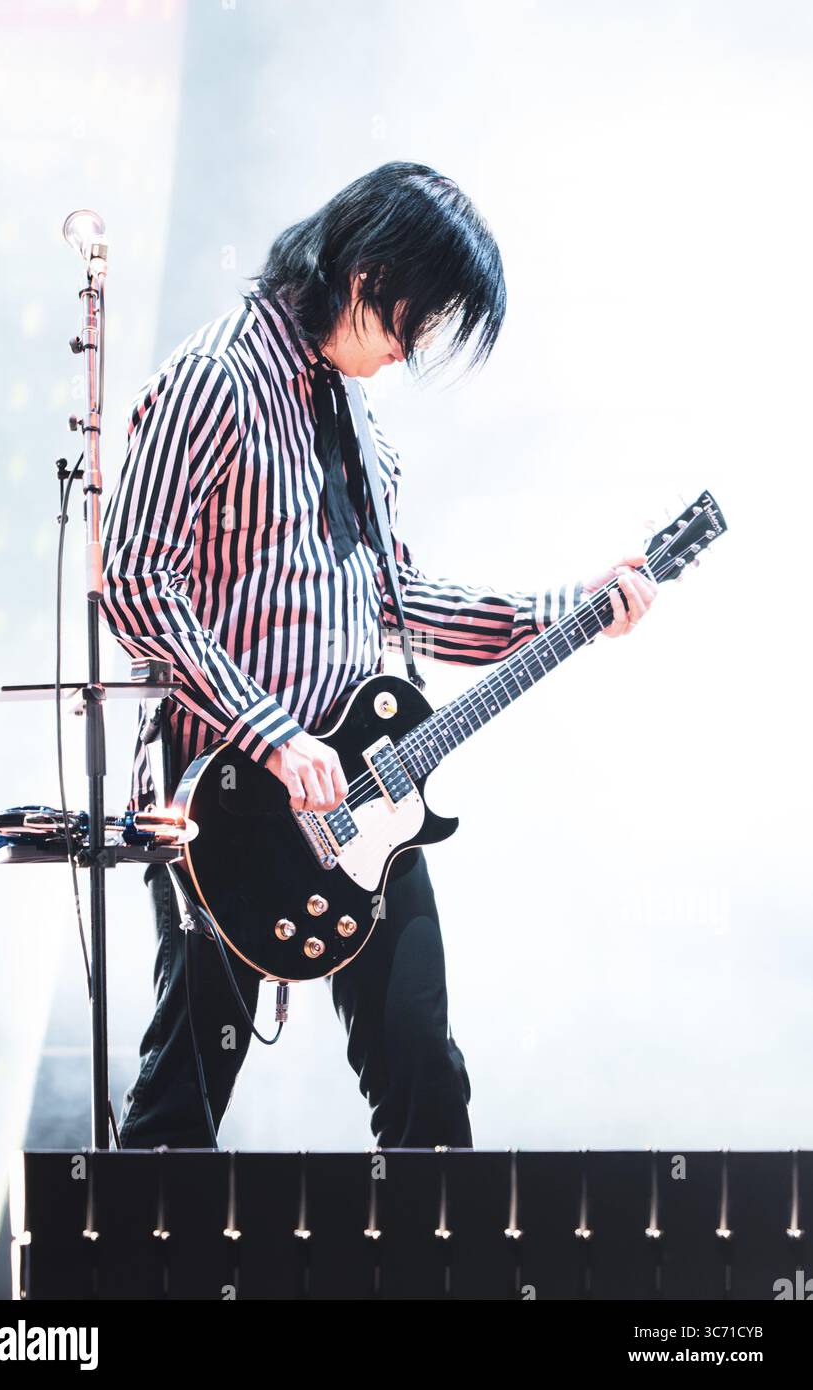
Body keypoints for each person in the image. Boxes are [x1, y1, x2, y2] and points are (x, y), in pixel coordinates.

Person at [100, 161, 657, 1150]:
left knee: (425, 1087)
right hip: (222, 805)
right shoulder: (215, 376)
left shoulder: (355, 416)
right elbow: (136, 578)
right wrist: (272, 737)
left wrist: (561, 612)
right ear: (366, 272)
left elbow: (400, 603)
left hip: (365, 806)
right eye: (420, 317)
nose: (416, 349)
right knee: (177, 1117)